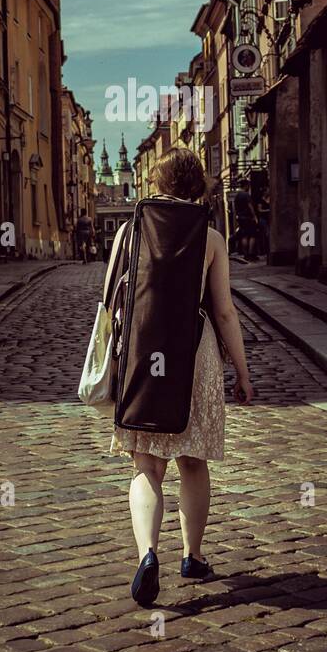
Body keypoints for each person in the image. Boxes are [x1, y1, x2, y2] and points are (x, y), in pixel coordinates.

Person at [109, 148, 253, 607]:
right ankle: (192, 555)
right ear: (197, 187)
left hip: (142, 353)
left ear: (156, 182)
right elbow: (225, 311)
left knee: (146, 464)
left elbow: (112, 306)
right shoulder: (210, 238)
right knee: (193, 460)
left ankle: (148, 554)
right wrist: (243, 373)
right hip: (196, 354)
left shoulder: (128, 233)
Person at [233, 179, 258, 261]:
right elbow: (250, 206)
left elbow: (235, 209)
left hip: (241, 218)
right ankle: (251, 254)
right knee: (252, 235)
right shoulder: (246, 195)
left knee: (244, 236)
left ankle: (246, 254)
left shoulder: (237, 196)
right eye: (248, 186)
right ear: (246, 185)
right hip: (248, 218)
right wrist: (254, 216)